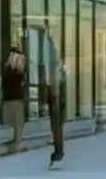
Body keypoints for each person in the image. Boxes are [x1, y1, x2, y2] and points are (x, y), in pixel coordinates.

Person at [37, 32, 68, 169]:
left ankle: (58, 152)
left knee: (56, 126)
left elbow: (50, 83)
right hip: (57, 97)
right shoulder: (57, 67)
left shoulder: (52, 67)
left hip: (56, 97)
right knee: (57, 127)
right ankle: (58, 151)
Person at [1, 46, 27, 151]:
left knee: (16, 123)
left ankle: (15, 144)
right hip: (13, 99)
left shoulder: (10, 70)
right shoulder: (10, 70)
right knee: (15, 123)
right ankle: (14, 144)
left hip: (12, 99)